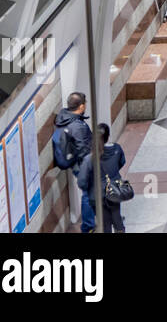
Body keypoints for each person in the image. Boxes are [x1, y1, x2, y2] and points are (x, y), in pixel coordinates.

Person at [51, 92, 93, 230]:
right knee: (88, 193)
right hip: (82, 166)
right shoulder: (77, 126)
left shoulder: (64, 116)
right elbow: (83, 150)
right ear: (81, 106)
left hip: (75, 164)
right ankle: (88, 227)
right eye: (85, 104)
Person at [76, 123, 127, 233]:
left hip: (97, 195)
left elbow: (82, 182)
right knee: (116, 215)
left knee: (104, 223)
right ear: (108, 136)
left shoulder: (90, 159)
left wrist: (89, 186)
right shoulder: (117, 149)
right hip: (114, 189)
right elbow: (122, 162)